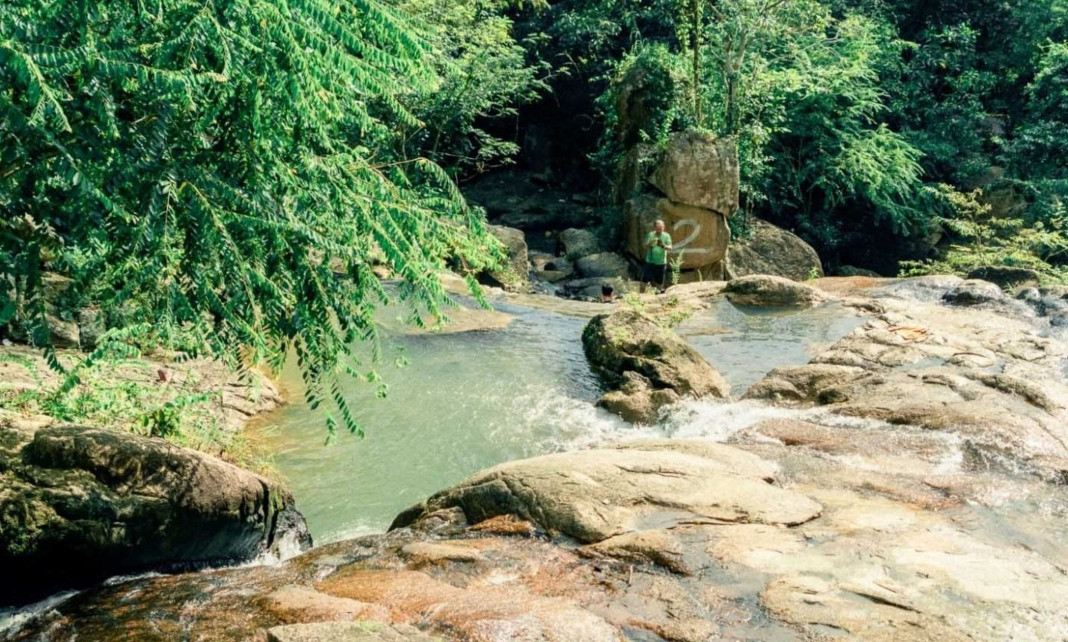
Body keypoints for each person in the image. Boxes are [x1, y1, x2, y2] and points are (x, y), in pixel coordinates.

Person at [641, 219, 672, 293]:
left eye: (661, 228)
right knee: (645, 279)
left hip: (661, 262)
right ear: (654, 228)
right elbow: (645, 246)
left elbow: (670, 248)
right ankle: (640, 294)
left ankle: (659, 293)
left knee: (660, 280)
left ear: (663, 227)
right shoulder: (651, 235)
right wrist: (650, 243)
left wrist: (664, 246)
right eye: (658, 228)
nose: (659, 230)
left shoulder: (666, 236)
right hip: (650, 261)